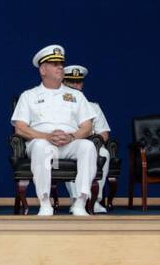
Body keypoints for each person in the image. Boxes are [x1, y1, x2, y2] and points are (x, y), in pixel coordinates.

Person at [11, 45, 98, 217]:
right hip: (41, 141)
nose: (60, 67)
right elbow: (19, 127)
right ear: (43, 70)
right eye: (54, 63)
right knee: (42, 147)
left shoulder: (77, 96)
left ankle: (80, 202)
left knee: (88, 147)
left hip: (69, 142)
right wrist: (47, 136)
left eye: (61, 63)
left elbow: (87, 126)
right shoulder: (29, 95)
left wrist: (72, 136)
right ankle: (45, 203)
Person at [62, 65, 111, 213]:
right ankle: (77, 199)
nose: (76, 86)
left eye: (78, 82)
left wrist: (90, 140)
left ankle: (94, 200)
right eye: (71, 82)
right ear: (64, 83)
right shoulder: (59, 106)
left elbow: (104, 134)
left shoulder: (93, 107)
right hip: (68, 144)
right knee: (72, 154)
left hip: (91, 143)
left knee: (104, 154)